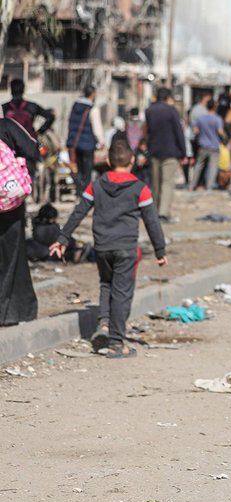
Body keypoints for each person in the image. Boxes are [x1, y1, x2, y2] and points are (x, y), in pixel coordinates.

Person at [50, 140, 168, 358]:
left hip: (102, 247)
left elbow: (79, 211)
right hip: (126, 248)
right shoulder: (140, 188)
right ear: (132, 161)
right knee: (122, 293)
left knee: (106, 284)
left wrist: (63, 237)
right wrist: (160, 250)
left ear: (107, 160)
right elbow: (152, 221)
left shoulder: (96, 185)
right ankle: (116, 342)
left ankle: (104, 324)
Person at [0, 117, 38, 326]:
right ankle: (12, 311)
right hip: (9, 203)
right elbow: (32, 151)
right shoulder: (6, 126)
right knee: (12, 254)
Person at [145, 87, 187, 223]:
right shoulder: (171, 111)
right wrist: (183, 152)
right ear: (168, 97)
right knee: (167, 182)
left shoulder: (150, 111)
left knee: (155, 183)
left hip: (154, 151)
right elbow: (178, 132)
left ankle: (154, 211)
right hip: (170, 151)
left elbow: (147, 131)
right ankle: (163, 213)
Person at [65, 84, 106, 197]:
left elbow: (69, 124)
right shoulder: (93, 109)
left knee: (78, 170)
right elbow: (97, 128)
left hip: (74, 143)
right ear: (92, 94)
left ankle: (79, 192)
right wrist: (101, 142)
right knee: (87, 172)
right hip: (87, 144)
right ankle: (86, 195)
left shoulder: (74, 106)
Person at [3, 79, 54, 166]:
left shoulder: (4, 108)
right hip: (29, 145)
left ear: (11, 90)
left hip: (9, 146)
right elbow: (50, 117)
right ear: (23, 89)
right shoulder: (31, 106)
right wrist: (40, 131)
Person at [191, 96, 226, 191]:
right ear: (215, 107)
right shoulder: (217, 119)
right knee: (213, 167)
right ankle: (209, 187)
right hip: (214, 147)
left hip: (202, 145)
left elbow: (195, 131)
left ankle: (192, 185)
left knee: (198, 166)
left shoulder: (201, 118)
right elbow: (220, 132)